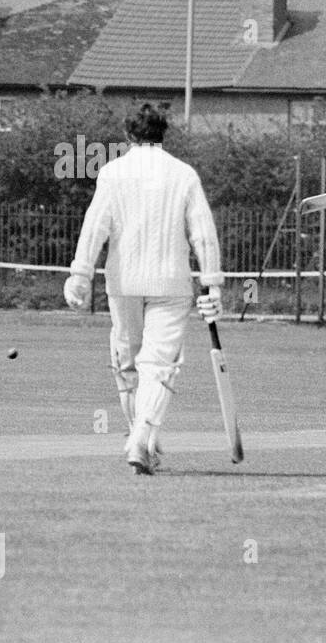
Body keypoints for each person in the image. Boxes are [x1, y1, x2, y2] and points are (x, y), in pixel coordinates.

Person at [63, 103, 224, 474]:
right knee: (159, 366)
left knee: (128, 363)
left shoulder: (113, 172)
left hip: (123, 282)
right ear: (163, 134)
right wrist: (212, 284)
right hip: (172, 282)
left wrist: (80, 274)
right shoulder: (183, 174)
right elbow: (203, 234)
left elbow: (94, 228)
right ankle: (142, 438)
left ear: (129, 136)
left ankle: (138, 437)